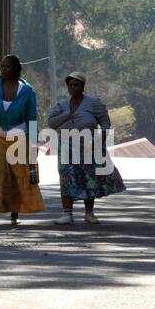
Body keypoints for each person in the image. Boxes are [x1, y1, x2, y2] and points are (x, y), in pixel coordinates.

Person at [47, 71, 126, 224]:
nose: (72, 88)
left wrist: (100, 138)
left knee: (88, 178)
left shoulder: (94, 103)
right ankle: (67, 214)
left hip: (88, 145)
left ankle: (89, 213)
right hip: (67, 146)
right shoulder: (62, 106)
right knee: (66, 177)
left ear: (83, 87)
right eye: (70, 85)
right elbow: (52, 123)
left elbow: (105, 122)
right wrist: (67, 115)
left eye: (76, 85)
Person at [0, 54, 45, 224]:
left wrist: (34, 143)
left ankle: (15, 213)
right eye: (1, 67)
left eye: (7, 67)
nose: (3, 70)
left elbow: (32, 117)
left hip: (20, 136)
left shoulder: (28, 92)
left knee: (17, 175)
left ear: (16, 68)